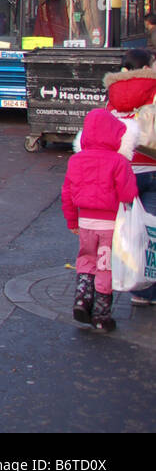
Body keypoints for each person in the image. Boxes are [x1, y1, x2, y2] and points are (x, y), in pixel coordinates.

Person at [62, 107, 138, 332]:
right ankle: (101, 316)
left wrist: (72, 221)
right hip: (110, 225)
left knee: (86, 259)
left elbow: (67, 193)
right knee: (105, 267)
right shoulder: (119, 162)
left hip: (85, 222)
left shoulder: (76, 160)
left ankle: (81, 299)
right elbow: (127, 194)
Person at [103, 47, 156, 307]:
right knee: (151, 232)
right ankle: (148, 289)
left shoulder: (113, 93)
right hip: (153, 166)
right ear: (146, 66)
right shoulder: (154, 88)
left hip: (124, 170)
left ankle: (128, 283)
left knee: (127, 230)